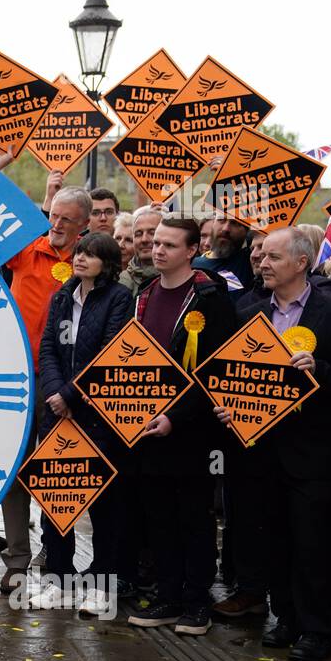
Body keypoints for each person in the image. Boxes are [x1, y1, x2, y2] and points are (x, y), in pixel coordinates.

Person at [216, 227, 331, 661]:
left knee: (312, 543)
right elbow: (233, 377)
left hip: (314, 454)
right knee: (271, 538)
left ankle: (318, 629)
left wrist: (319, 370)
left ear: (302, 263)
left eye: (274, 257)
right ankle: (286, 617)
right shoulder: (248, 314)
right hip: (261, 452)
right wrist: (229, 408)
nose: (263, 263)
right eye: (262, 257)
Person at [126, 217, 237, 635]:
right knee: (158, 516)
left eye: (169, 245)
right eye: (156, 243)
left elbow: (214, 371)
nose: (158, 251)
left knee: (194, 515)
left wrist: (175, 416)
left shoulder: (209, 299)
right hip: (146, 426)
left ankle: (196, 601)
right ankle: (167, 595)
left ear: (192, 250)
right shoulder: (145, 293)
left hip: (191, 431)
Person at [0, 186, 89, 587]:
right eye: (53, 217)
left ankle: (54, 550)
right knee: (14, 469)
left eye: (66, 219)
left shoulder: (87, 262)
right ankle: (16, 560)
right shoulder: (28, 250)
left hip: (62, 386)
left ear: (82, 225)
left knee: (55, 471)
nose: (57, 225)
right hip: (18, 378)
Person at [34, 231, 132, 614]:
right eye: (79, 252)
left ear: (107, 263)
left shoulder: (119, 298)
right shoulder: (61, 295)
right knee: (56, 498)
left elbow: (111, 351)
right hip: (58, 413)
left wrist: (72, 395)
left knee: (103, 505)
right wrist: (56, 393)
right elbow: (48, 348)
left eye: (90, 255)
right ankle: (58, 580)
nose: (80, 259)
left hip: (97, 417)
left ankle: (101, 586)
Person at [195, 214, 254, 300]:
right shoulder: (191, 264)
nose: (226, 228)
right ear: (214, 223)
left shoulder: (252, 260)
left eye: (235, 223)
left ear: (246, 231)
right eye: (221, 219)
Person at [118, 205, 162, 296]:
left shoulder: (180, 281)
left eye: (152, 233)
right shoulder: (118, 282)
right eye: (138, 234)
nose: (144, 239)